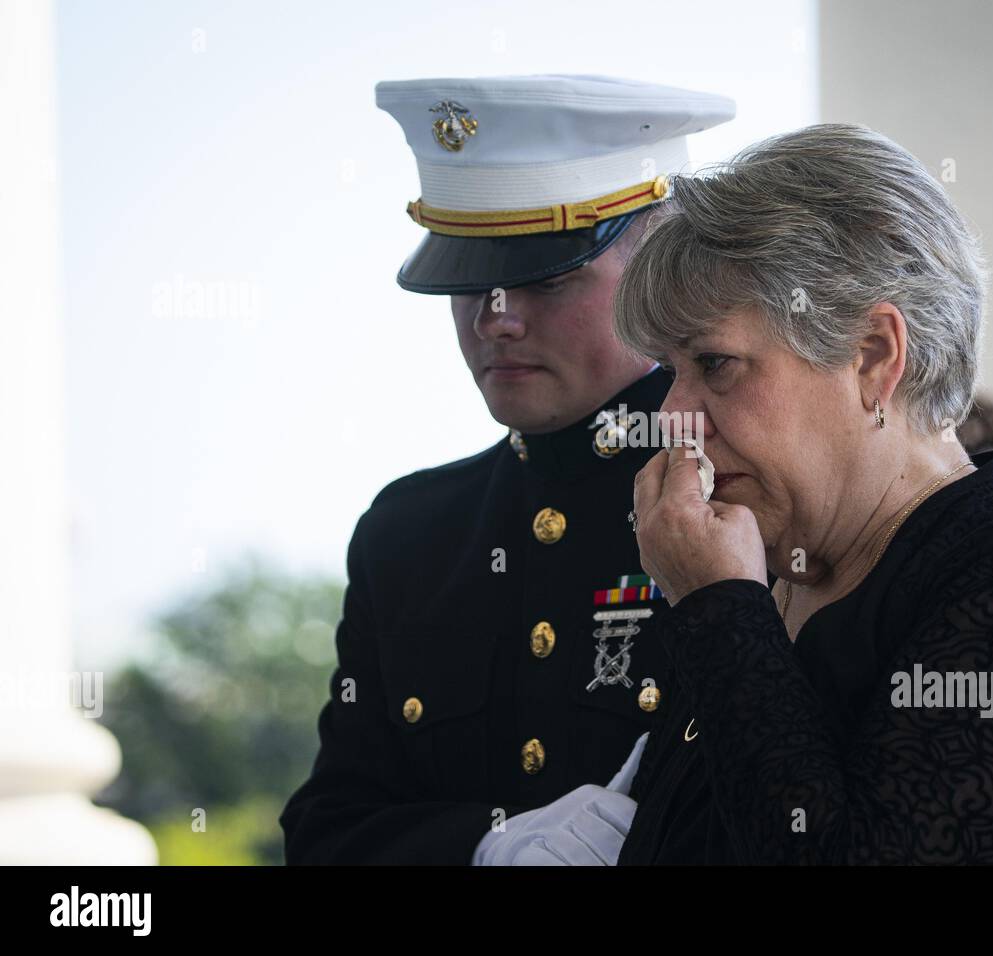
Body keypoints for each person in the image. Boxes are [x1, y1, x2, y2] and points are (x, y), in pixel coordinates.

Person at [612, 124, 993, 864]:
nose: (673, 415)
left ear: (874, 356)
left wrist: (719, 618)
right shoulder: (761, 579)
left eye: (717, 364)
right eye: (669, 370)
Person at [278, 75, 734, 864]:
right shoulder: (411, 531)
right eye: (468, 282)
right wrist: (483, 848)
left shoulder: (745, 491)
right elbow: (325, 832)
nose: (497, 318)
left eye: (547, 277)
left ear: (665, 272)